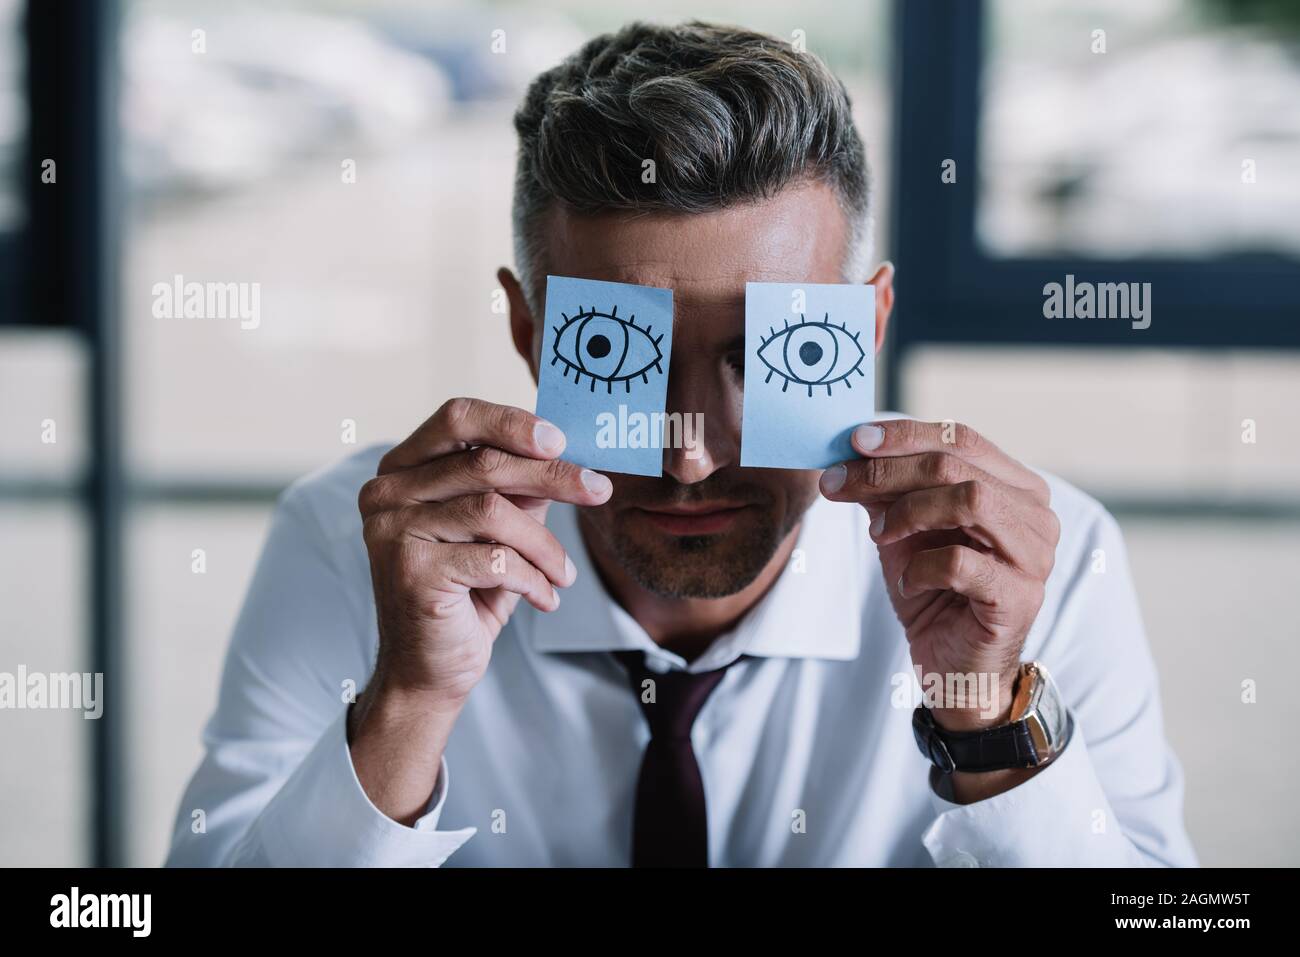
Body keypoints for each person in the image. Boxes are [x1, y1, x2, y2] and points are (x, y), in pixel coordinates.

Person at [166, 21, 1195, 867]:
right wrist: (407, 705)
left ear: (865, 329)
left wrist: (985, 715)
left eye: (771, 353)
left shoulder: (1035, 570)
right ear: (528, 331)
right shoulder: (357, 552)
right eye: (620, 352)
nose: (691, 456)